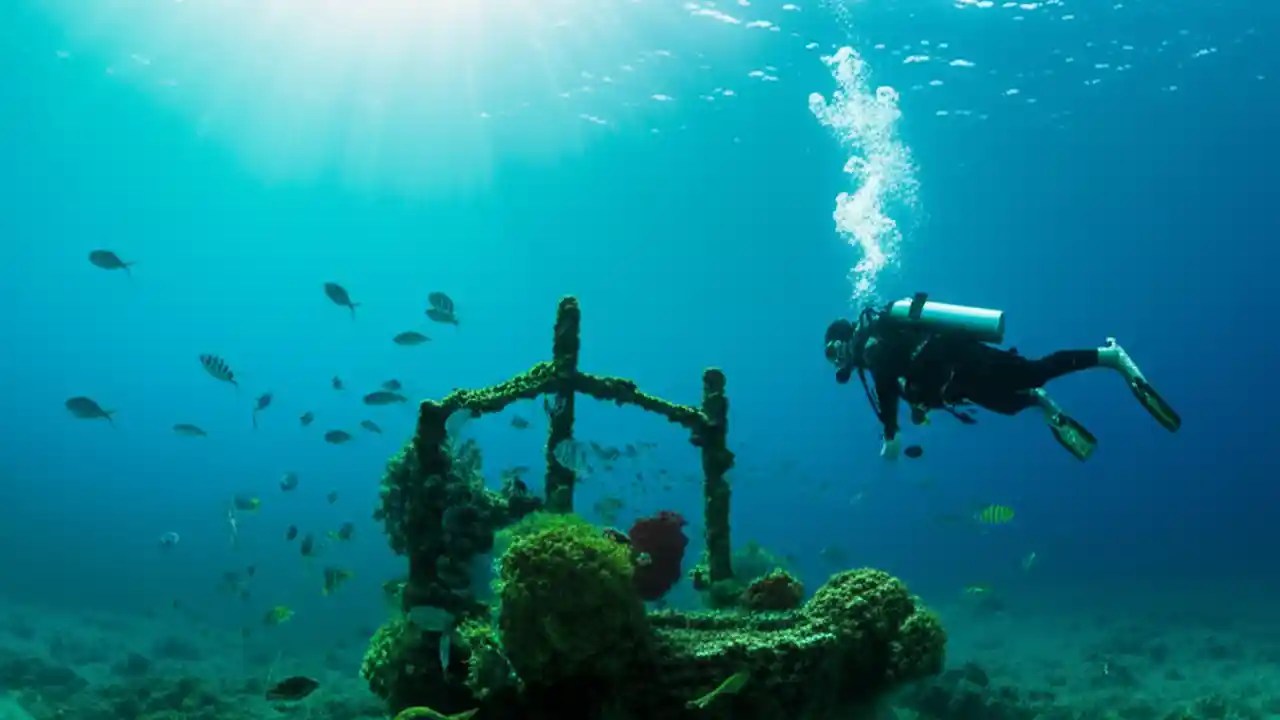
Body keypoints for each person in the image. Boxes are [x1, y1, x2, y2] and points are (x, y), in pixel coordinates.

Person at [824, 293, 1180, 461]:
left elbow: (887, 384)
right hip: (959, 383)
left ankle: (1112, 357)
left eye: (832, 351)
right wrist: (919, 406)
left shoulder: (870, 344)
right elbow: (901, 382)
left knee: (1037, 370)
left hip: (966, 362)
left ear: (844, 339)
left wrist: (891, 434)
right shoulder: (875, 351)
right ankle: (1040, 401)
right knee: (1010, 404)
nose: (836, 360)